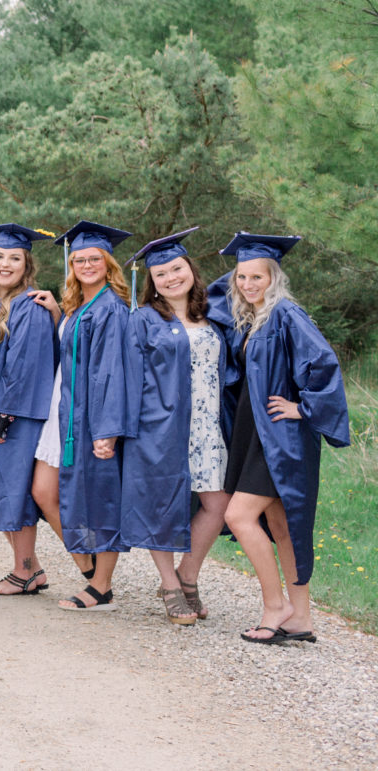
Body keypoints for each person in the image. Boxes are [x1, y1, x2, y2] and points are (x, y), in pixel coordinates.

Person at [213, 232, 348, 644]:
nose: (248, 285)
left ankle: (276, 606)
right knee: (280, 524)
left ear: (275, 278)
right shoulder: (255, 318)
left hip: (281, 436)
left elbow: (324, 363)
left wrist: (302, 408)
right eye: (241, 277)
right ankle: (301, 617)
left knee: (238, 516)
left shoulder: (287, 314)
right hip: (257, 434)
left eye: (258, 277)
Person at [121, 228, 229, 625]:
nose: (170, 278)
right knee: (160, 506)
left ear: (191, 270)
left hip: (206, 427)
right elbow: (129, 378)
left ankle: (188, 574)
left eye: (177, 269)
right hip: (160, 427)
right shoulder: (144, 320)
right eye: (161, 274)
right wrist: (121, 430)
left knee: (218, 504)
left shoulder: (212, 316)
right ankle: (169, 585)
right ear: (152, 282)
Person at [45, 220, 137, 613]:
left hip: (95, 420)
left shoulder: (112, 309)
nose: (86, 264)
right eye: (78, 259)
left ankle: (100, 587)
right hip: (72, 416)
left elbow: (112, 373)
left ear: (108, 263)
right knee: (59, 493)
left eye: (94, 258)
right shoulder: (80, 306)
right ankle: (94, 576)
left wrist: (108, 430)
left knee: (101, 498)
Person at [0, 223, 57, 597]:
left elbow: (24, 366)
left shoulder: (30, 305)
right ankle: (30, 569)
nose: (5, 264)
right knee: (1, 487)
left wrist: (5, 417)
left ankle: (23, 571)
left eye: (14, 258)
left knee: (13, 490)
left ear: (26, 264)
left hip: (11, 417)